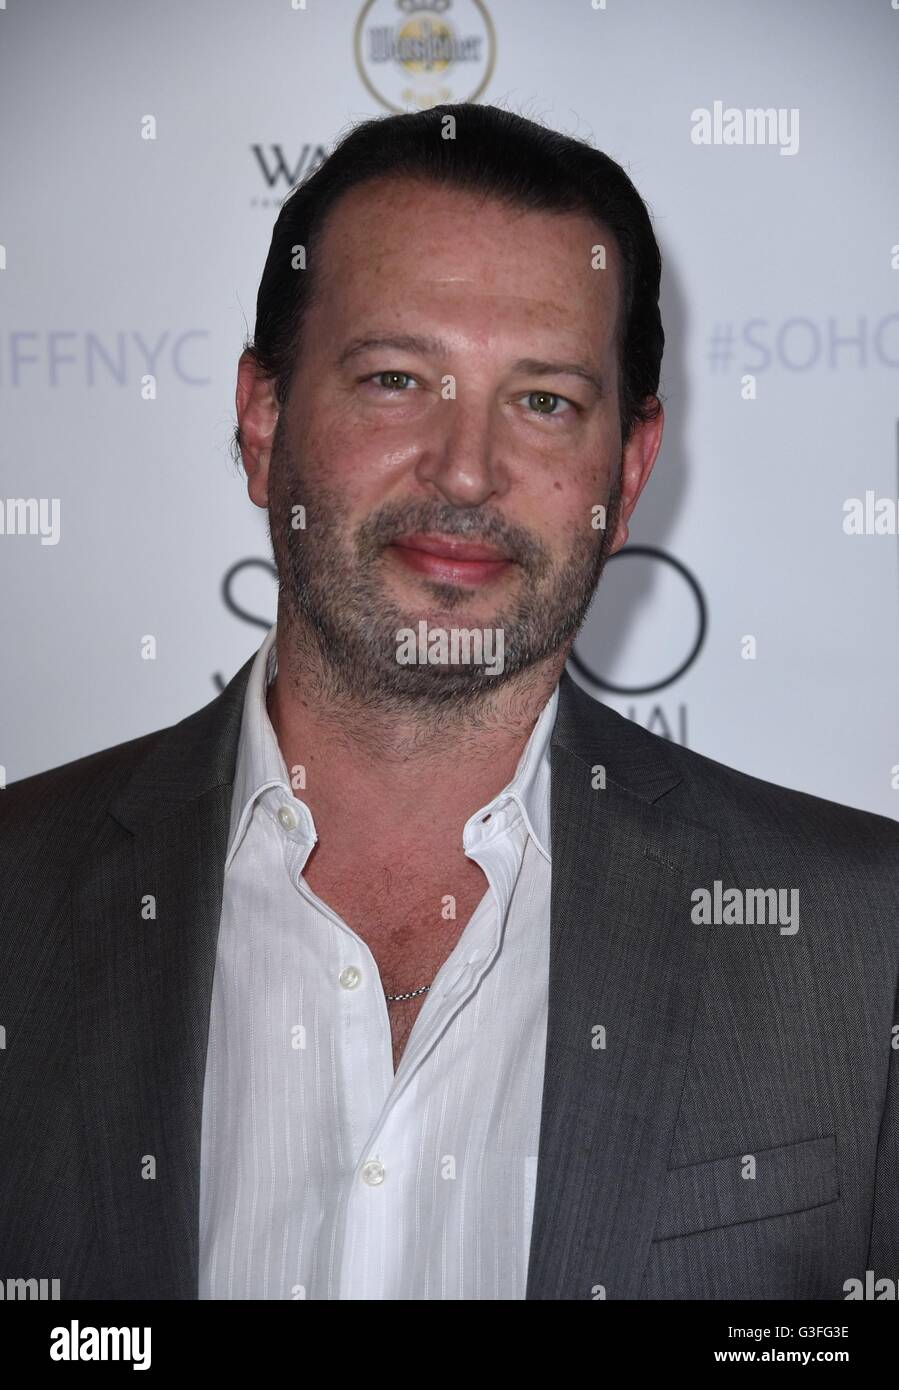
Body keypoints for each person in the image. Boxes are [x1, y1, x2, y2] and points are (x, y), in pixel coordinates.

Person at [1, 104, 897, 1302]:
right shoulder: (19, 897)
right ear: (262, 421)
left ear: (625, 474)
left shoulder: (858, 944)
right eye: (394, 378)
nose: (465, 470)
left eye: (542, 402)